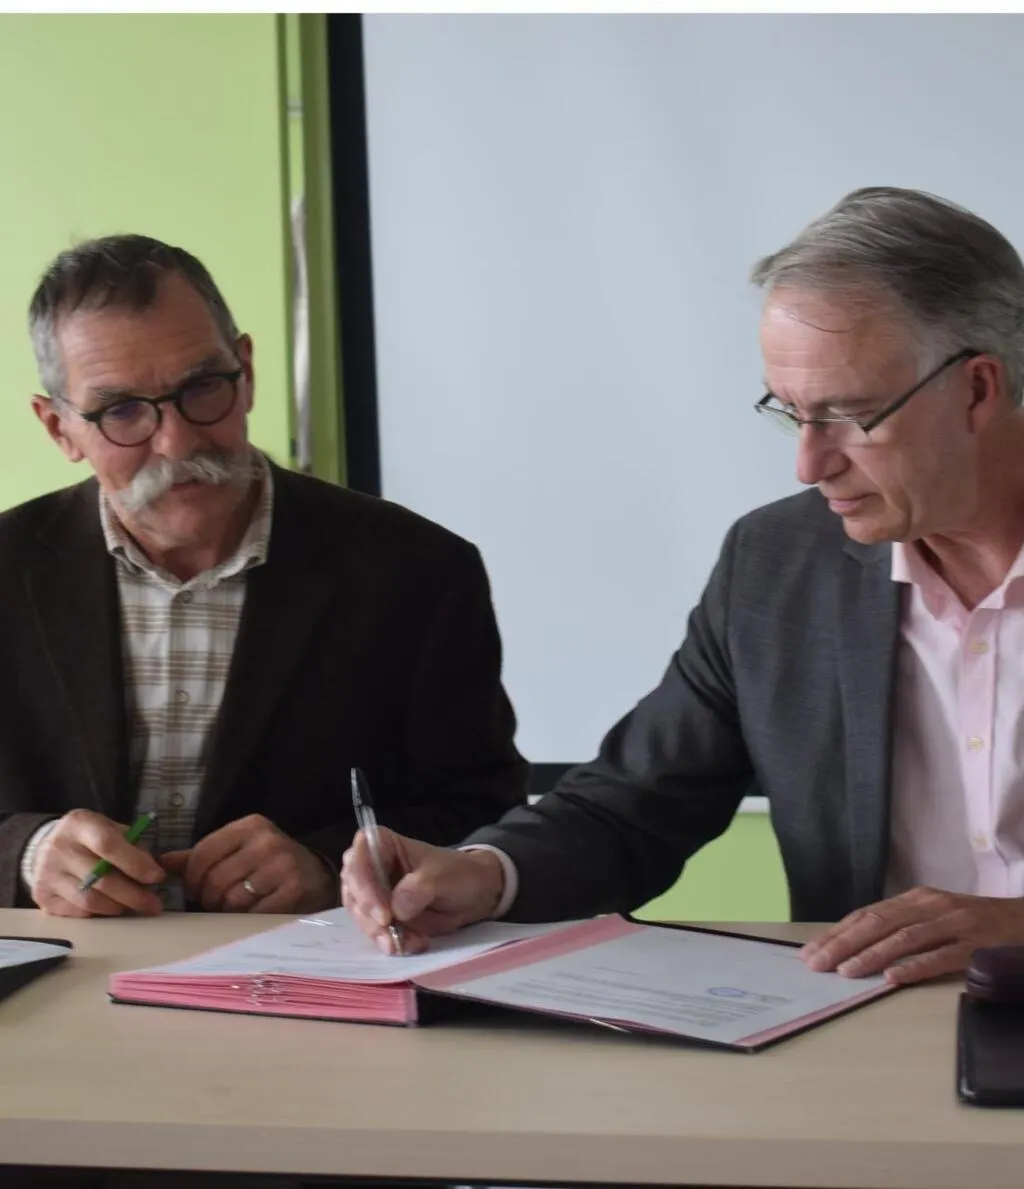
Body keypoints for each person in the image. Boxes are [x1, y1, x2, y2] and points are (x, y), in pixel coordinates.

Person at [344, 186, 1024, 988]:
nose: (809, 464)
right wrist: (485, 874)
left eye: (850, 416)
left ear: (978, 389)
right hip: (870, 1043)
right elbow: (633, 804)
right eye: (791, 412)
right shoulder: (778, 562)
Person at [0, 234, 527, 918]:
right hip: (56, 990)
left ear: (245, 371)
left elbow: (487, 814)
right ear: (59, 428)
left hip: (311, 987)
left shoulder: (418, 572)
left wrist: (326, 861)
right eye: (123, 410)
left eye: (202, 387)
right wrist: (28, 851)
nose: (177, 441)